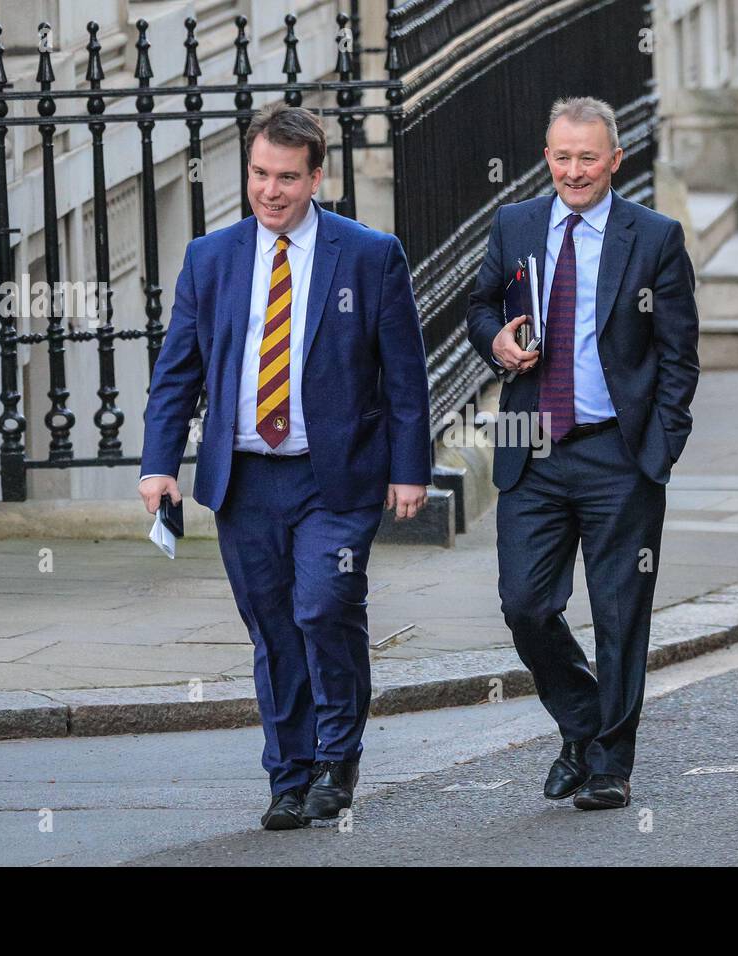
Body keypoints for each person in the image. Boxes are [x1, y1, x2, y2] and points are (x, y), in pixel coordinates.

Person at [138, 103, 432, 830]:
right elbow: (178, 371)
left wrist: (410, 470)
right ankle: (288, 774)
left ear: (317, 178)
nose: (271, 191)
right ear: (248, 172)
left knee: (322, 607)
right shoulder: (211, 258)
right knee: (272, 627)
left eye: (288, 178)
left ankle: (337, 757)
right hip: (244, 481)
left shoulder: (366, 255)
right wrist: (158, 465)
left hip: (334, 479)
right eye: (261, 175)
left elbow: (405, 375)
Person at [466, 96, 700, 810]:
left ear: (615, 159)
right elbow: (479, 308)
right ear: (547, 158)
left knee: (621, 614)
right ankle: (582, 723)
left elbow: (678, 355)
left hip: (617, 457)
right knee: (525, 605)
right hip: (533, 450)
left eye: (588, 157)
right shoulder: (515, 226)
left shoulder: (654, 238)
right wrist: (496, 341)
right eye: (562, 157)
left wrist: (657, 448)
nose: (574, 170)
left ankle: (610, 765)